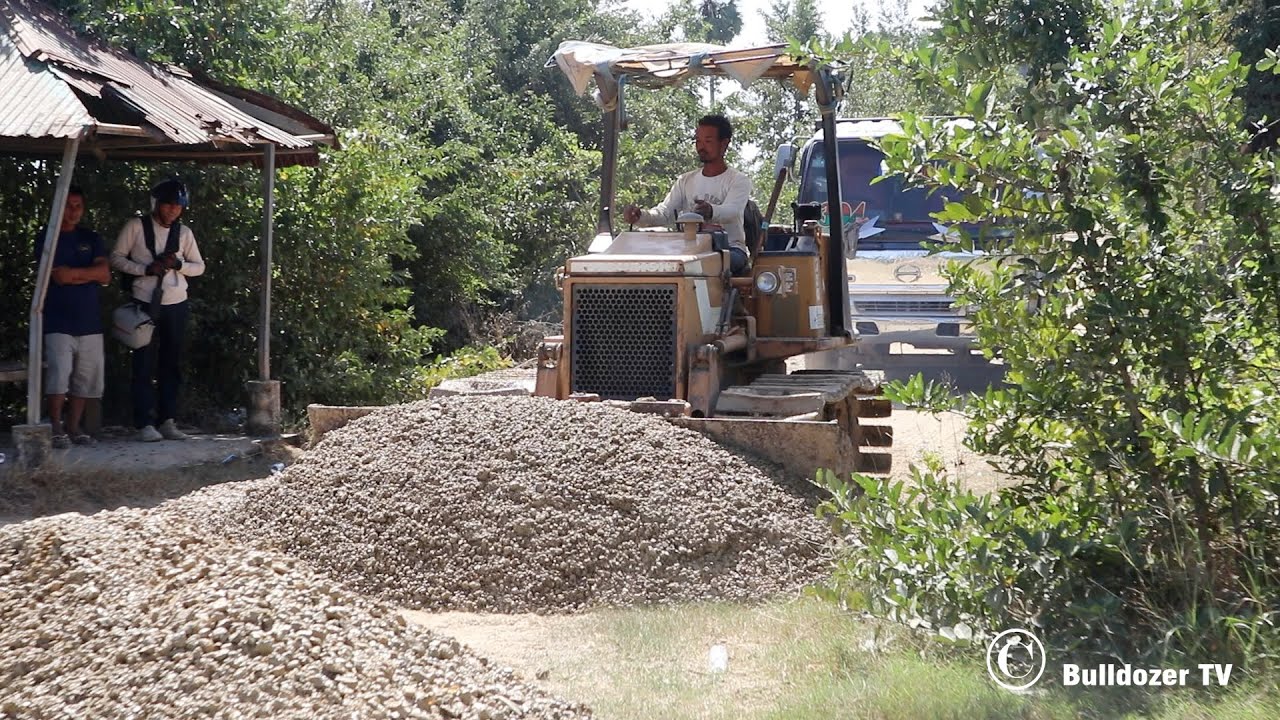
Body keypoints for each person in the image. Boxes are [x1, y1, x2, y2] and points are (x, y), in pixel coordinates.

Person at [110, 179, 205, 442]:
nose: (173, 209)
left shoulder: (184, 233)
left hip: (176, 302)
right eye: (168, 204)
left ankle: (168, 420)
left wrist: (178, 264)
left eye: (178, 205)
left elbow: (199, 267)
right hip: (143, 301)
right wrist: (143, 269)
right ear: (156, 203)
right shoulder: (136, 226)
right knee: (142, 362)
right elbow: (116, 257)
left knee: (171, 363)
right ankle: (144, 423)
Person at [623, 113, 754, 275]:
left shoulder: (738, 180)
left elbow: (732, 211)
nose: (701, 146)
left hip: (730, 249)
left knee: (704, 264)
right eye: (698, 141)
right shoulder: (685, 180)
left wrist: (711, 211)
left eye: (708, 141)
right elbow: (665, 213)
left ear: (724, 144)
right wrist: (641, 216)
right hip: (690, 251)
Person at [36, 185, 110, 449]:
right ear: (58, 207)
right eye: (68, 205)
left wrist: (76, 275)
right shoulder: (47, 237)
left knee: (85, 378)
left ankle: (73, 427)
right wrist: (89, 273)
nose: (73, 211)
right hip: (58, 320)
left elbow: (105, 274)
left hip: (90, 321)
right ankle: (55, 427)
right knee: (60, 374)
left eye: (78, 205)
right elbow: (58, 276)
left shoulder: (91, 237)